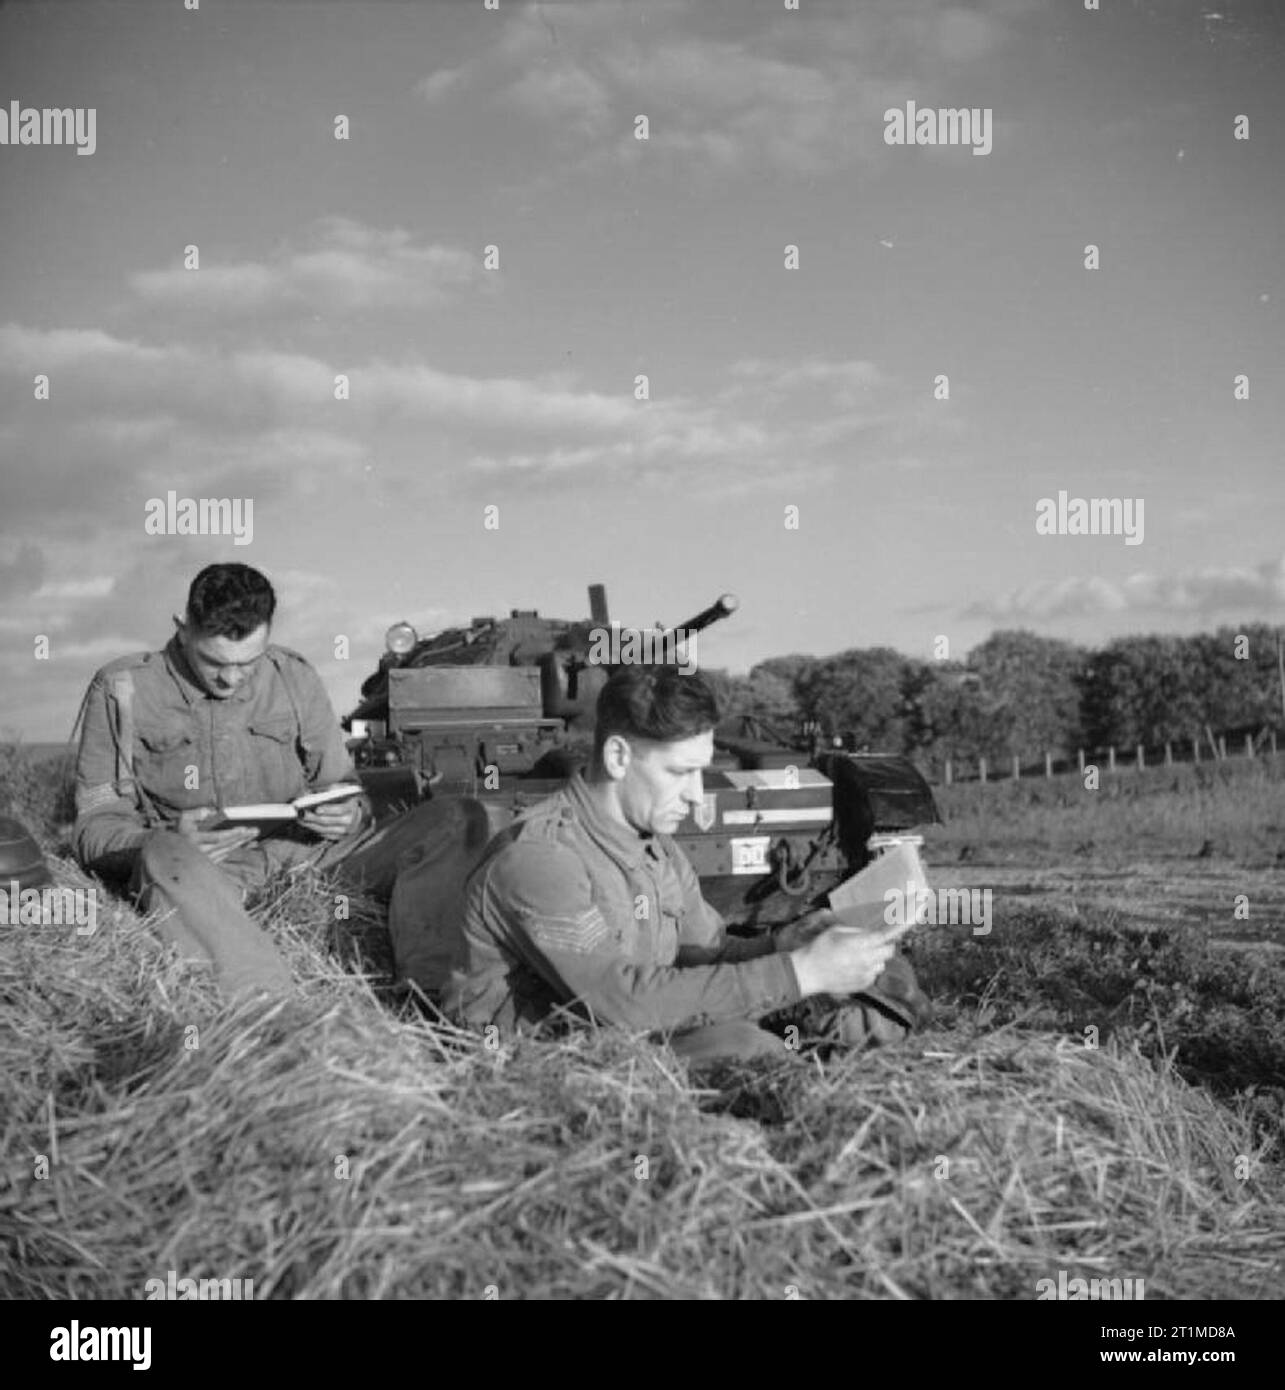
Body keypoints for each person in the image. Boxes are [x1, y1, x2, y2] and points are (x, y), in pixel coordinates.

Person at [443, 665, 931, 1063]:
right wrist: (799, 974)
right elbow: (623, 1003)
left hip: (631, 1029)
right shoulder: (539, 858)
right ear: (617, 756)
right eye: (680, 773)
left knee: (882, 997)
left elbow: (707, 949)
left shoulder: (655, 846)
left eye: (702, 773)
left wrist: (783, 942)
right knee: (747, 1049)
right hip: (541, 1056)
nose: (698, 799)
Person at [72, 563, 441, 998]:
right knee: (162, 854)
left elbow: (342, 783)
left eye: (248, 663)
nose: (231, 678)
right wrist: (168, 838)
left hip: (309, 859)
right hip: (200, 873)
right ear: (182, 628)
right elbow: (94, 827)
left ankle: (436, 992)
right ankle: (271, 1012)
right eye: (214, 662)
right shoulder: (121, 689)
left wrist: (349, 814)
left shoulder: (294, 675)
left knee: (454, 821)